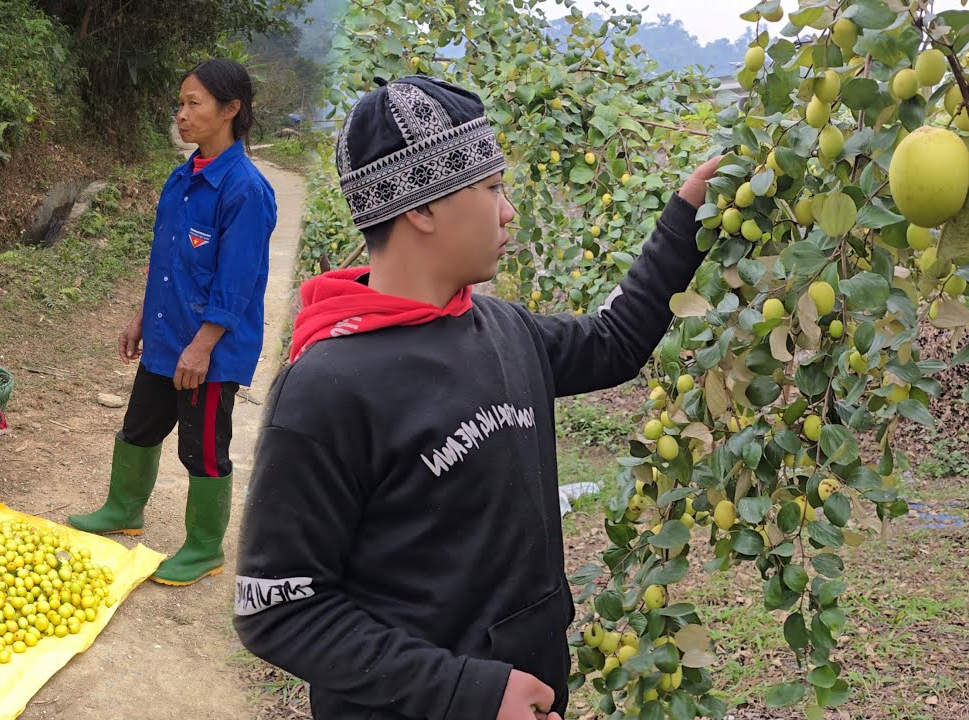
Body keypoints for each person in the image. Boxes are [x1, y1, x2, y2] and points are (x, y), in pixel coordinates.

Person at [231, 75, 720, 720]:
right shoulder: (329, 386)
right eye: (491, 188)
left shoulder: (502, 330)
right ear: (422, 208)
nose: (509, 211)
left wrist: (687, 211)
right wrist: (468, 692)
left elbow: (613, 342)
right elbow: (281, 605)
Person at [68, 58, 278, 587]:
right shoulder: (182, 178)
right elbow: (166, 261)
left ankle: (205, 548)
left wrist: (202, 346)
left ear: (231, 110)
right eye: (179, 103)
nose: (181, 115)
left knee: (202, 448)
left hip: (209, 351)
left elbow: (237, 283)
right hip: (166, 338)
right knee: (139, 427)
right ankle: (124, 509)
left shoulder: (245, 190)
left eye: (194, 104)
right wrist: (141, 317)